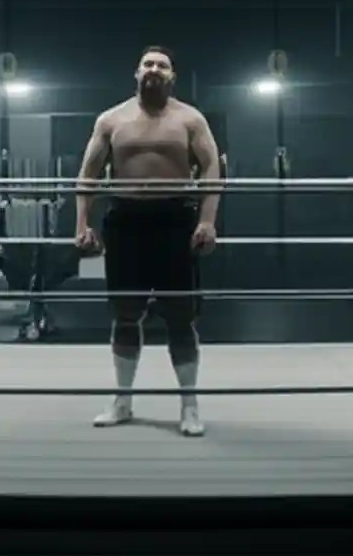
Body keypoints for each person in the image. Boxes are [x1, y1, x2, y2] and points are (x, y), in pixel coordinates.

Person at [74, 46, 221, 437]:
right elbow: (87, 173)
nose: (154, 69)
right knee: (125, 313)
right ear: (136, 73)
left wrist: (207, 220)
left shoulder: (190, 118)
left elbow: (211, 167)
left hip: (174, 220)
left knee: (180, 317)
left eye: (162, 65)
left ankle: (189, 406)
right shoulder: (112, 119)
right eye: (148, 64)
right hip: (126, 220)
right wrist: (81, 223)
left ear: (172, 76)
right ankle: (122, 401)